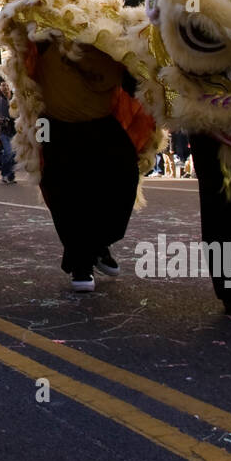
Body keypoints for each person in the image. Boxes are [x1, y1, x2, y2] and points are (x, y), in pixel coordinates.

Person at [32, 40, 145, 291]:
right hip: (52, 126)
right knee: (64, 192)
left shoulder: (109, 39)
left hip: (101, 122)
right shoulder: (44, 38)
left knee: (123, 178)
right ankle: (81, 264)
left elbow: (137, 84)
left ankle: (99, 244)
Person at [0, 79, 17, 185]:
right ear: (0, 88)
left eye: (6, 85)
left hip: (16, 131)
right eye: (2, 85)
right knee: (9, 152)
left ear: (10, 86)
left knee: (13, 155)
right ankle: (5, 174)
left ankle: (10, 176)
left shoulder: (17, 99)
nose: (5, 87)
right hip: (4, 132)